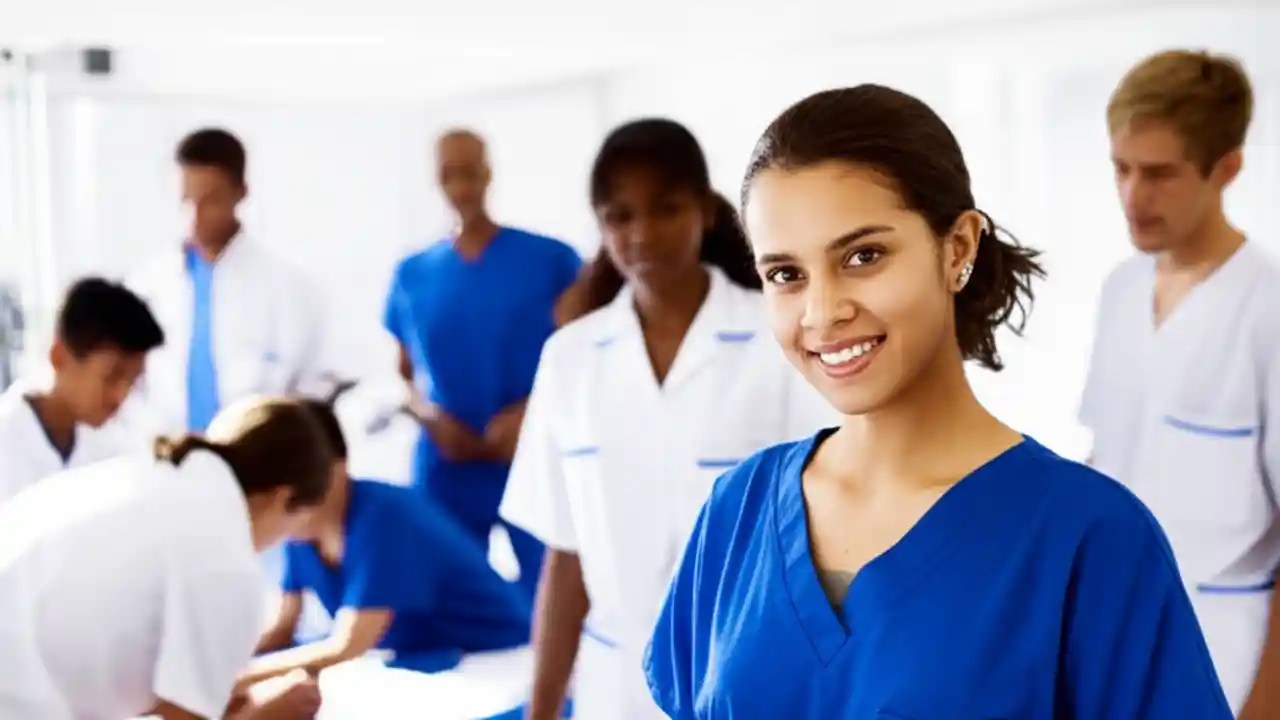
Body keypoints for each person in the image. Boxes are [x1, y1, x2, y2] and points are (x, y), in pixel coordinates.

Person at [644, 85, 1233, 719]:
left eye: (863, 256)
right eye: (786, 274)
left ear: (958, 248)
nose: (822, 312)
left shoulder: (1088, 536)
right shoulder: (737, 510)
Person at [499, 118, 834, 720]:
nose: (642, 234)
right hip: (613, 688)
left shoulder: (777, 339)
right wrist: (540, 711)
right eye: (620, 216)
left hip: (750, 674)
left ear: (705, 210)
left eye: (665, 209)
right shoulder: (570, 359)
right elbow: (566, 560)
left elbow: (828, 533)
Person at [1081, 50, 1277, 717]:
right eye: (1122, 169)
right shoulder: (1121, 289)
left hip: (1228, 649)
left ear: (1227, 169)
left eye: (1160, 174)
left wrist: (1266, 706)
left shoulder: (1266, 309)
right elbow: (1108, 458)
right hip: (1116, 636)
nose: (1133, 197)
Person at [0, 396, 334, 720]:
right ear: (282, 499)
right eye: (299, 524)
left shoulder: (148, 475)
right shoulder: (224, 553)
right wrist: (268, 715)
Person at [382, 128, 581, 602]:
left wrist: (529, 414)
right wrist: (433, 420)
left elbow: (581, 355)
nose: (461, 187)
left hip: (530, 454)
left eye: (470, 172)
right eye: (449, 175)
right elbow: (404, 377)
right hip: (447, 464)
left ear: (489, 173)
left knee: (550, 599)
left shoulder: (549, 260)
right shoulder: (412, 274)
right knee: (451, 601)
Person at [246, 399, 532, 686]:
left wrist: (238, 679)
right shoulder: (300, 528)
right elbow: (282, 627)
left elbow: (346, 646)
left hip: (495, 659)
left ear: (338, 465)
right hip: (417, 660)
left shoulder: (386, 517)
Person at [127, 128, 335, 438]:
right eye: (187, 201)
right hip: (167, 451)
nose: (195, 217)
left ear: (241, 192)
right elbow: (132, 389)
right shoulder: (147, 286)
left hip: (258, 453)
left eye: (210, 201)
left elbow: (309, 388)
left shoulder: (288, 289)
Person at [0, 277, 164, 505]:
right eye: (112, 376)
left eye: (133, 382)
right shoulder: (7, 441)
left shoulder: (111, 449)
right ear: (58, 357)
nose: (121, 396)